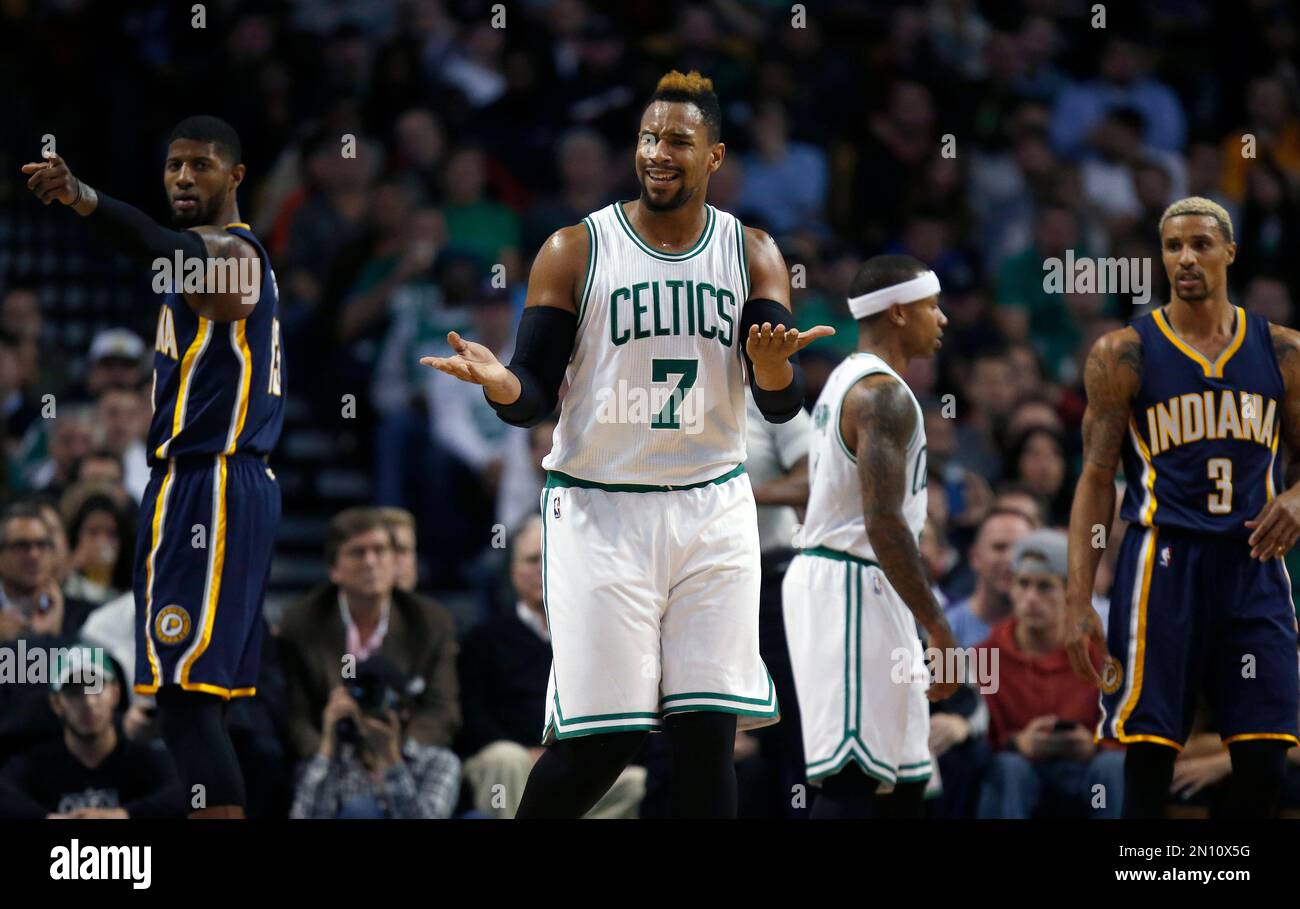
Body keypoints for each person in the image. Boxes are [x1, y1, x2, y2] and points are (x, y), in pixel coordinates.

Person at [421, 70, 833, 818]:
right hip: (600, 508)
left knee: (707, 732)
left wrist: (775, 372)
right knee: (603, 740)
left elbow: (779, 403)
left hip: (712, 505)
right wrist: (501, 384)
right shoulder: (574, 249)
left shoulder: (756, 254)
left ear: (715, 156)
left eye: (678, 139)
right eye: (648, 137)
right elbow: (534, 395)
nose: (658, 152)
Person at [22, 114, 285, 819]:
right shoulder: (204, 261)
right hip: (213, 484)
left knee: (185, 701)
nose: (182, 177)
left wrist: (83, 197)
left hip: (211, 484)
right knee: (193, 703)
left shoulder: (235, 257)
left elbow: (157, 246)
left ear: (236, 177)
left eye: (200, 165)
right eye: (173, 166)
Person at [1066, 196, 1300, 819]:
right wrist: (1078, 597)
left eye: (1200, 243)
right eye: (1173, 247)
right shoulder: (1122, 353)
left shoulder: (1283, 352)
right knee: (1148, 752)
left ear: (1230, 251)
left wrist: (1298, 496)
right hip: (1162, 562)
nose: (1185, 258)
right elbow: (1094, 478)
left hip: (1253, 562)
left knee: (1265, 755)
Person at [782, 254, 959, 819]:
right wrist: (937, 624)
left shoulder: (847, 381)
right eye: (933, 306)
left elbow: (820, 487)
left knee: (904, 784)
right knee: (854, 781)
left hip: (868, 584)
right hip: (850, 586)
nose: (943, 319)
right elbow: (883, 523)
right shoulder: (879, 395)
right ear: (901, 312)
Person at [457, 515, 645, 818]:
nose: (542, 569)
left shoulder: (596, 636)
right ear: (513, 570)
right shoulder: (483, 638)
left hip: (577, 764)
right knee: (506, 760)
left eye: (551, 557)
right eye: (532, 560)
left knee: (636, 781)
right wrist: (530, 752)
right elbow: (472, 715)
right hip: (510, 761)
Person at [278, 507, 460, 760]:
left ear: (395, 562)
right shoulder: (301, 622)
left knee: (444, 764)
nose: (371, 562)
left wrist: (396, 752)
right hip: (329, 755)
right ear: (334, 570)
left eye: (380, 550)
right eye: (357, 552)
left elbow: (441, 710)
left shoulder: (430, 621)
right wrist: (323, 753)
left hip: (402, 756)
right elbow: (295, 715)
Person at [975, 530, 1124, 818]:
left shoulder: (1099, 658)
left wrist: (1095, 746)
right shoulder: (984, 657)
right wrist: (1017, 743)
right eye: (1023, 583)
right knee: (1008, 768)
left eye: (1045, 586)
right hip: (1021, 778)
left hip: (1086, 778)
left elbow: (1125, 731)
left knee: (1112, 767)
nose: (1031, 597)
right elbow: (976, 741)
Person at [0, 648, 184, 819]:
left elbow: (186, 792)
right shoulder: (36, 764)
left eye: (95, 688)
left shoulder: (144, 760)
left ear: (115, 693)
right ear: (56, 703)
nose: (88, 702)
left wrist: (123, 815)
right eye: (74, 692)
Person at [290, 655, 461, 820]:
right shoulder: (339, 760)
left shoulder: (438, 762)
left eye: (378, 697)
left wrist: (391, 760)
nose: (370, 707)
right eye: (362, 697)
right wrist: (327, 742)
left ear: (404, 710)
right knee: (361, 811)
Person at [944, 508, 1035, 648]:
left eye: (1021, 549)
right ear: (975, 557)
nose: (1010, 559)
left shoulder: (1050, 633)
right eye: (999, 547)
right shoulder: (947, 632)